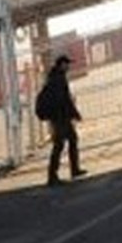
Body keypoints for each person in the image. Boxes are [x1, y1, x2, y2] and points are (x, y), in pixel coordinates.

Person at [42, 54, 87, 186]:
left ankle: (74, 169)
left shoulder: (54, 77)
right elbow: (64, 99)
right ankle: (52, 176)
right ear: (62, 64)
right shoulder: (58, 79)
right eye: (67, 64)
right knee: (59, 145)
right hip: (60, 117)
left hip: (61, 117)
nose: (68, 67)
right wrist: (75, 113)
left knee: (72, 139)